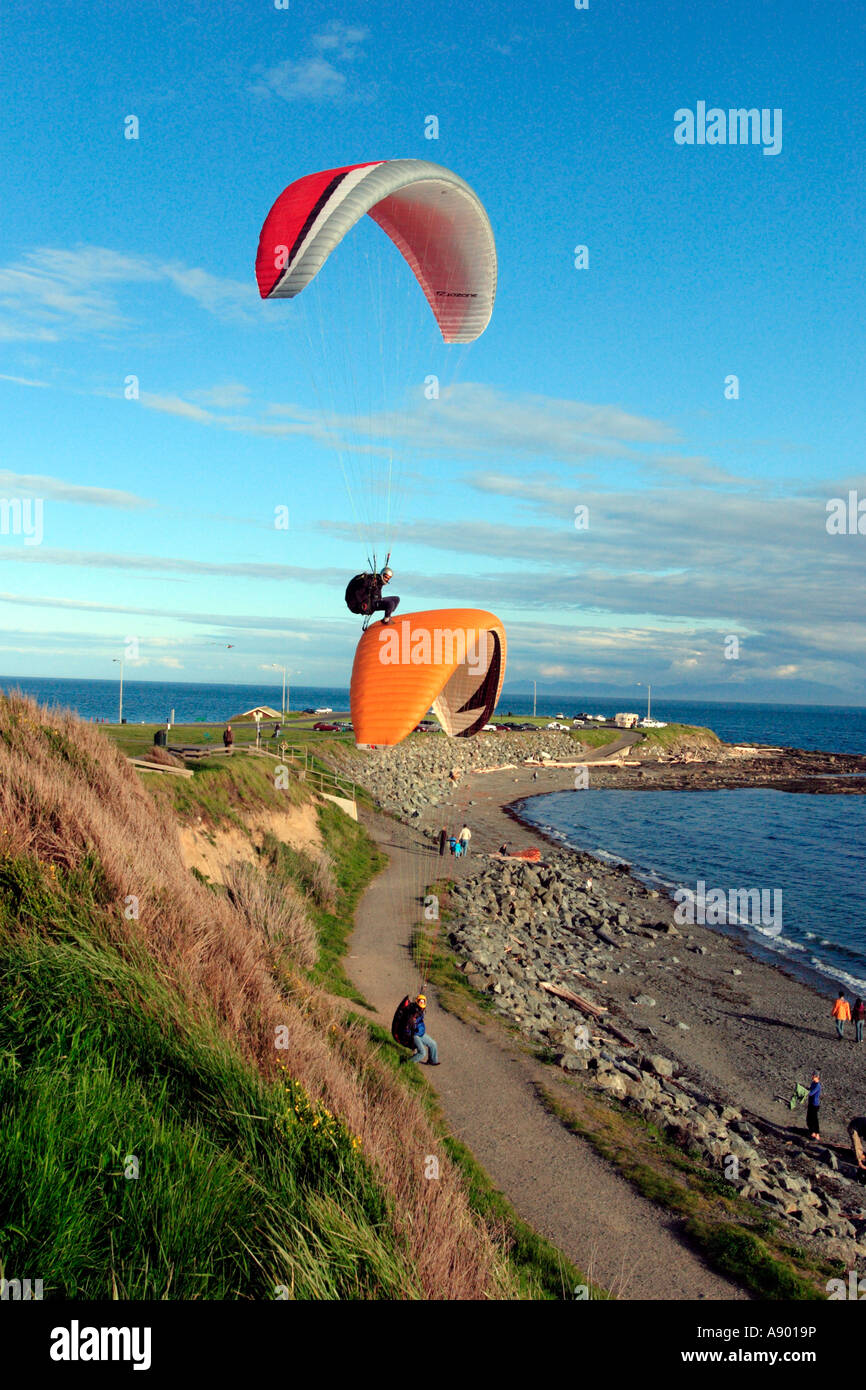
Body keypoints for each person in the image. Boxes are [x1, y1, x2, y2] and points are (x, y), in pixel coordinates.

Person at [409, 994, 439, 1066]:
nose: (422, 1007)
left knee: (433, 1044)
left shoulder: (420, 1011)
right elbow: (411, 1026)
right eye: (420, 1004)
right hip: (414, 1035)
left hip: (420, 1033)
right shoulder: (413, 1013)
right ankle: (407, 1063)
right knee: (422, 1053)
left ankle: (432, 1061)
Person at [807, 1072, 821, 1140]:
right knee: (809, 1118)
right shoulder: (813, 1083)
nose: (812, 1077)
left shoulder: (818, 1086)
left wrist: (806, 1092)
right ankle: (812, 1132)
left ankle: (817, 1133)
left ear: (817, 1077)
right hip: (810, 1103)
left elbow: (811, 1093)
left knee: (814, 1119)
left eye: (813, 1076)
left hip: (815, 1104)